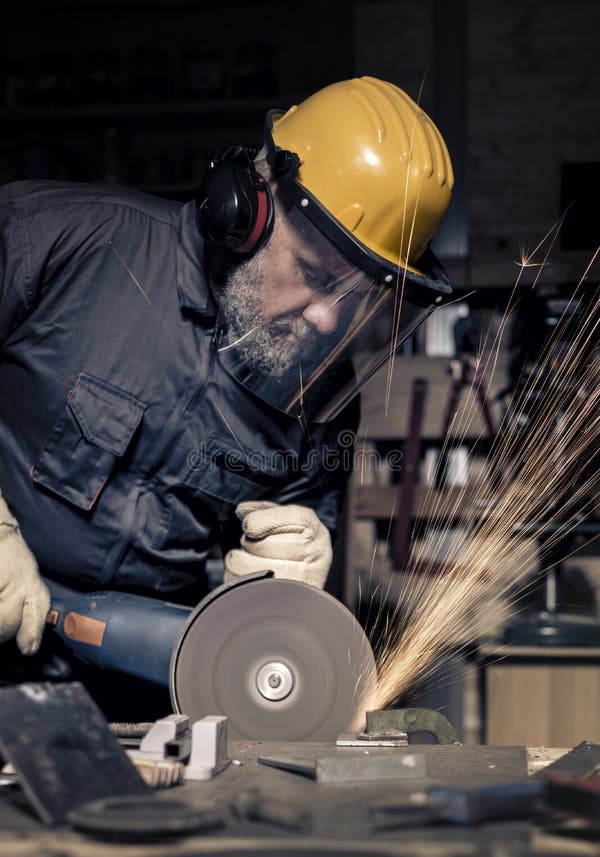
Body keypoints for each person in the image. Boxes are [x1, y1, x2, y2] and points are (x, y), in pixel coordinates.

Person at [0, 76, 454, 683]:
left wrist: (285, 589)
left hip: (144, 690)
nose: (326, 319)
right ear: (245, 206)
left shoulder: (319, 397)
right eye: (316, 275)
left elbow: (290, 551)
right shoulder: (58, 241)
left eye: (359, 298)